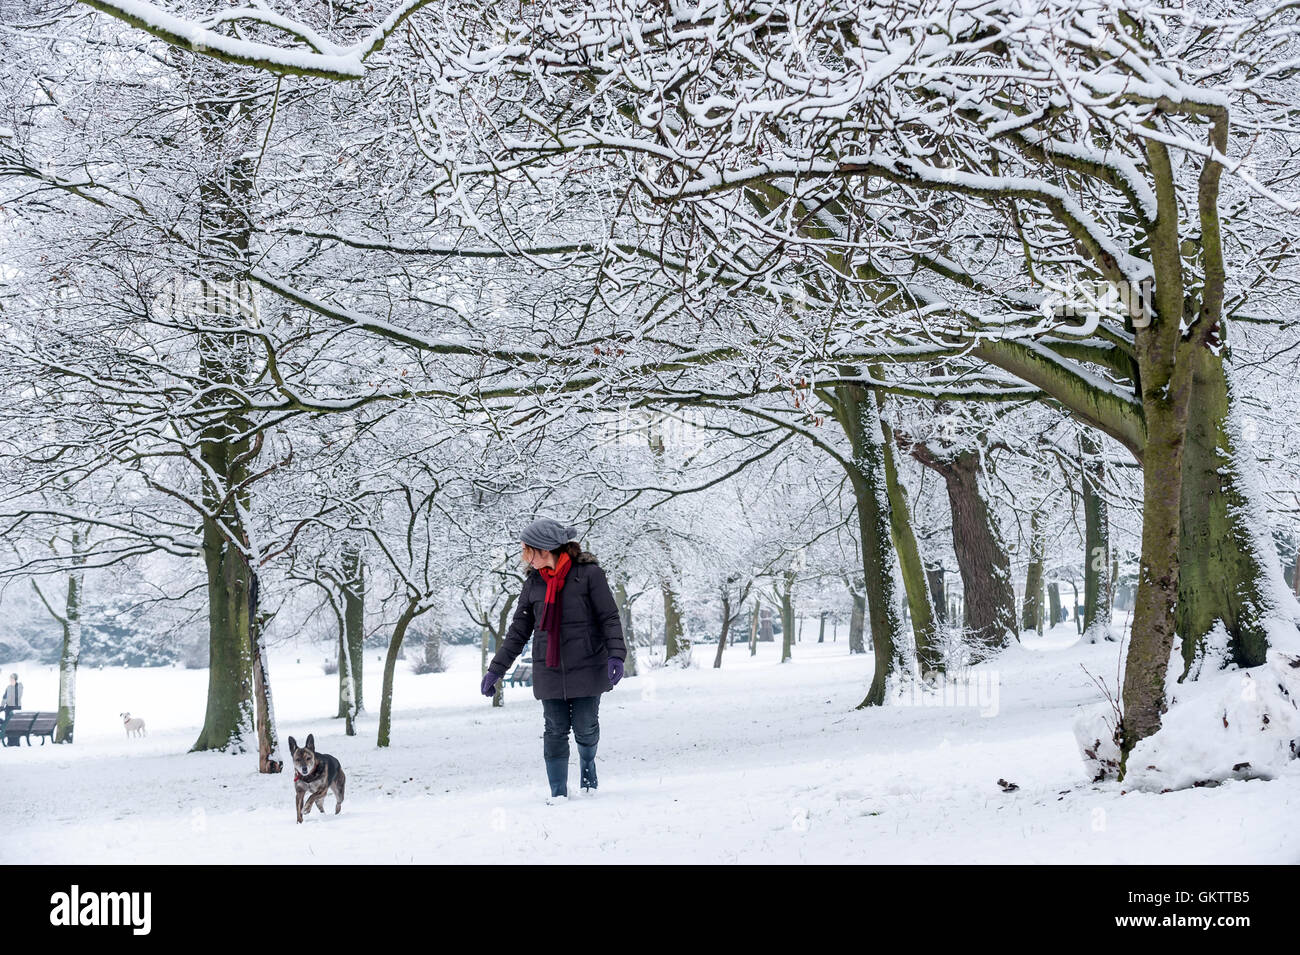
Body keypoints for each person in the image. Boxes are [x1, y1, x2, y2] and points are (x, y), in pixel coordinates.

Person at [481, 518, 627, 799]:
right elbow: (518, 631)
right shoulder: (533, 584)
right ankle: (558, 793)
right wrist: (496, 670)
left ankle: (587, 764)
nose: (524, 557)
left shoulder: (588, 575)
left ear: (545, 549)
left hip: (587, 665)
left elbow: (608, 617)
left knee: (585, 728)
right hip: (549, 669)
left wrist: (616, 656)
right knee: (555, 730)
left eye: (527, 550)